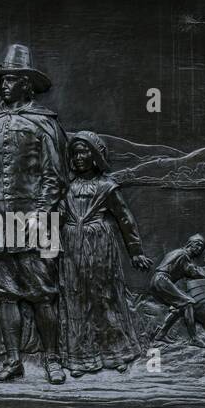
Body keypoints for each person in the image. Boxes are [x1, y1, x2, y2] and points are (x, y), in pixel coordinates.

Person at [0, 43, 68, 384]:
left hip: (36, 218)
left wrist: (42, 213)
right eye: (2, 80)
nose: (4, 85)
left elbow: (55, 175)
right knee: (4, 293)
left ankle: (53, 359)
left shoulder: (44, 123)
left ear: (27, 84)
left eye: (11, 80)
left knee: (42, 293)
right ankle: (12, 360)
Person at [58, 131, 153, 375]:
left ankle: (116, 354)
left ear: (96, 155)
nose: (79, 157)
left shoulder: (107, 186)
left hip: (100, 247)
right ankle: (80, 358)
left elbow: (125, 219)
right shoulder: (65, 186)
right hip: (70, 249)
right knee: (76, 301)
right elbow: (54, 217)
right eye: (75, 152)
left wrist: (135, 252)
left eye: (84, 151)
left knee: (105, 299)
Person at [149, 234, 205, 347]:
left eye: (201, 247)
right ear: (189, 244)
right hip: (162, 280)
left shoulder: (177, 253)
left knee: (180, 308)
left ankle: (161, 334)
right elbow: (191, 272)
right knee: (188, 303)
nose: (199, 248)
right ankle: (194, 338)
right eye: (197, 244)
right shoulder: (183, 255)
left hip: (157, 281)